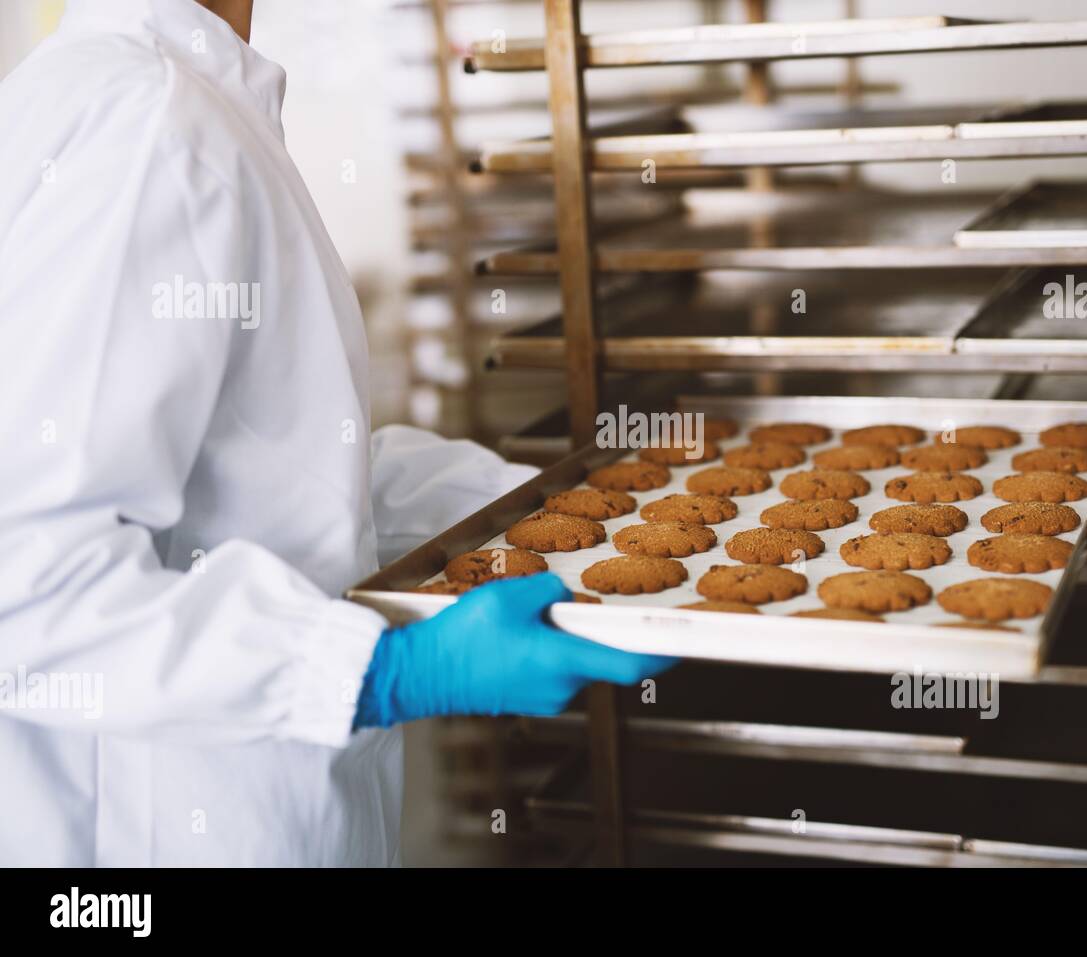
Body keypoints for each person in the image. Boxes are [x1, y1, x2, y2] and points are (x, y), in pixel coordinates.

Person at [0, 0, 672, 866]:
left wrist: (551, 514)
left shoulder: (133, 91)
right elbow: (29, 582)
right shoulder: (152, 123)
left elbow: (266, 468)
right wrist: (386, 673)